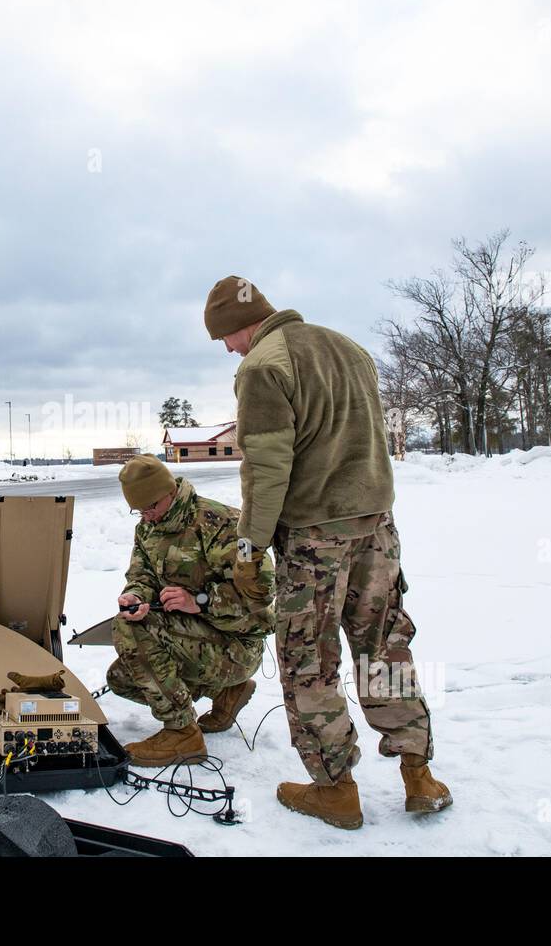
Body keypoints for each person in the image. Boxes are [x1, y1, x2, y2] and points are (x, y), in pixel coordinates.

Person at [203, 275, 452, 829]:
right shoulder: (349, 348)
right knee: (384, 644)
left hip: (316, 536)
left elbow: (265, 472)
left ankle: (335, 789)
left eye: (225, 337)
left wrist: (249, 549)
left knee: (308, 657)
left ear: (243, 326)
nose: (227, 349)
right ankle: (419, 773)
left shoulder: (263, 366)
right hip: (377, 526)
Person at [110, 454, 275, 766]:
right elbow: (141, 576)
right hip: (195, 640)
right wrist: (135, 595)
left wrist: (198, 601)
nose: (147, 516)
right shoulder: (147, 529)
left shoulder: (222, 523)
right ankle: (225, 692)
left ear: (169, 491)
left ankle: (182, 733)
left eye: (152, 507)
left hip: (238, 645)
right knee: (122, 678)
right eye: (139, 510)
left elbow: (262, 592)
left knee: (131, 630)